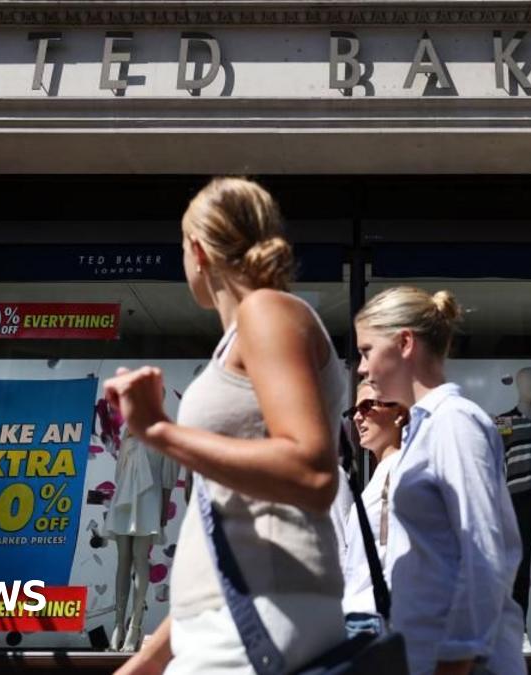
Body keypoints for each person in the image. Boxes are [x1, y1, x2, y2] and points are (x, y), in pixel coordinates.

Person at [105, 177, 349, 675]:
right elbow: (223, 528)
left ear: (196, 250)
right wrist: (147, 663)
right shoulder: (248, 331)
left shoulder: (267, 311)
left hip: (257, 620)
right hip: (235, 617)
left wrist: (159, 431)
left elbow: (312, 472)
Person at [354, 286, 526, 675]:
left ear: (404, 342)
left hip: (464, 664)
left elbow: (483, 548)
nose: (362, 367)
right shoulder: (426, 428)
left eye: (367, 350)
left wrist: (456, 658)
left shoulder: (453, 422)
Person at [340, 382, 407, 638]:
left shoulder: (401, 470)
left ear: (399, 413)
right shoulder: (382, 473)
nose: (357, 416)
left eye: (368, 407)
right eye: (354, 410)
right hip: (361, 617)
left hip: (378, 622)